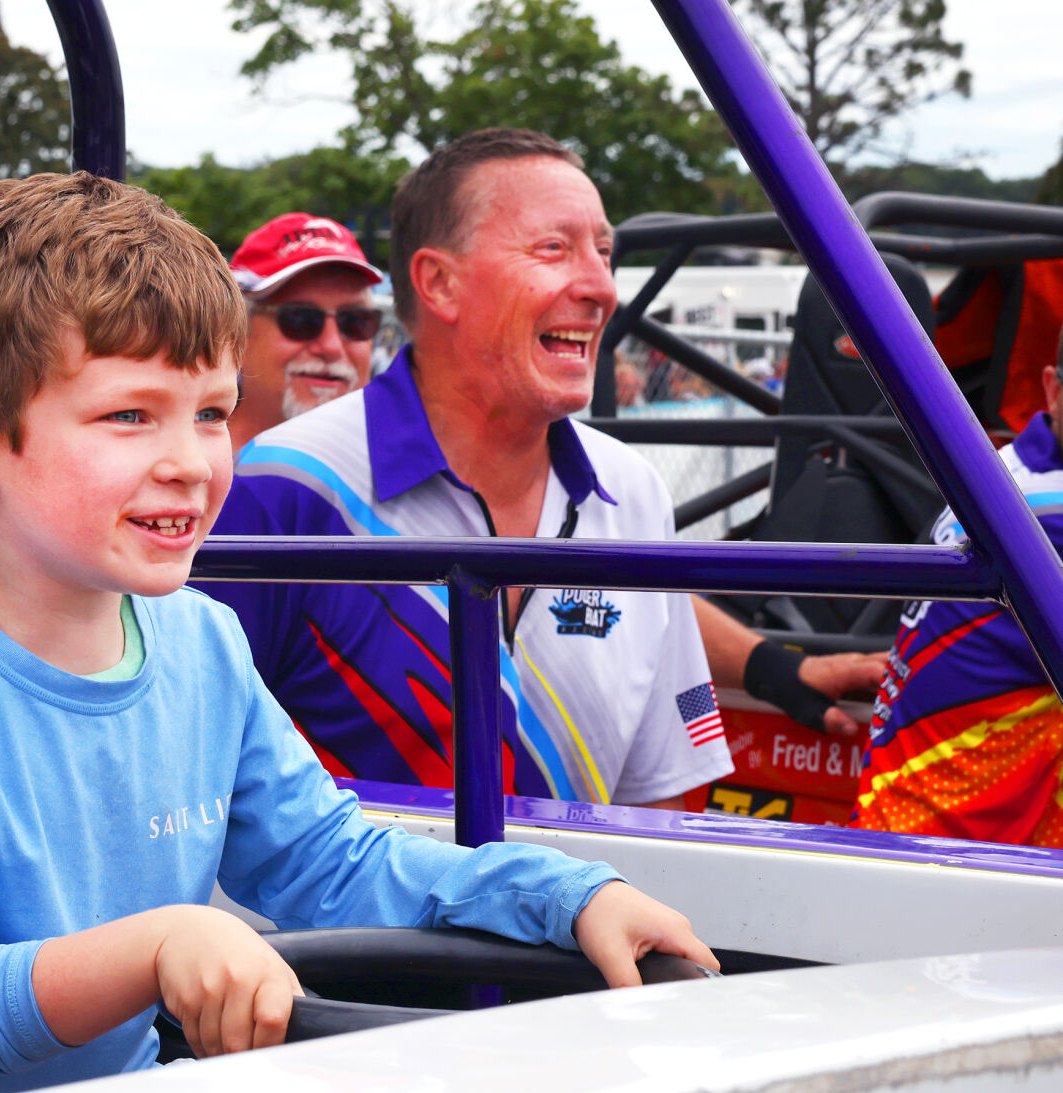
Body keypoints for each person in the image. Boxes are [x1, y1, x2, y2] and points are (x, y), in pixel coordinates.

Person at [0, 171, 717, 1093]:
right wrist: (160, 945)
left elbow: (331, 863)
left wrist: (563, 895)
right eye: (130, 416)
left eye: (210, 413)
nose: (190, 463)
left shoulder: (200, 641)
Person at [207, 128, 879, 809]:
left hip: (588, 883)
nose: (601, 287)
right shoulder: (281, 487)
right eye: (553, 248)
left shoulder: (631, 493)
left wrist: (767, 666)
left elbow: (663, 798)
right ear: (438, 284)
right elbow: (195, 781)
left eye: (604, 252)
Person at [853, 327, 1063, 846]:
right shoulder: (1050, 514)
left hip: (906, 818)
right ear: (1053, 389)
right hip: (956, 849)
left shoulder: (1006, 467)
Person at [228, 214, 385, 453]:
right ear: (235, 333)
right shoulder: (185, 464)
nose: (331, 347)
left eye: (355, 321)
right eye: (300, 320)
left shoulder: (412, 463)